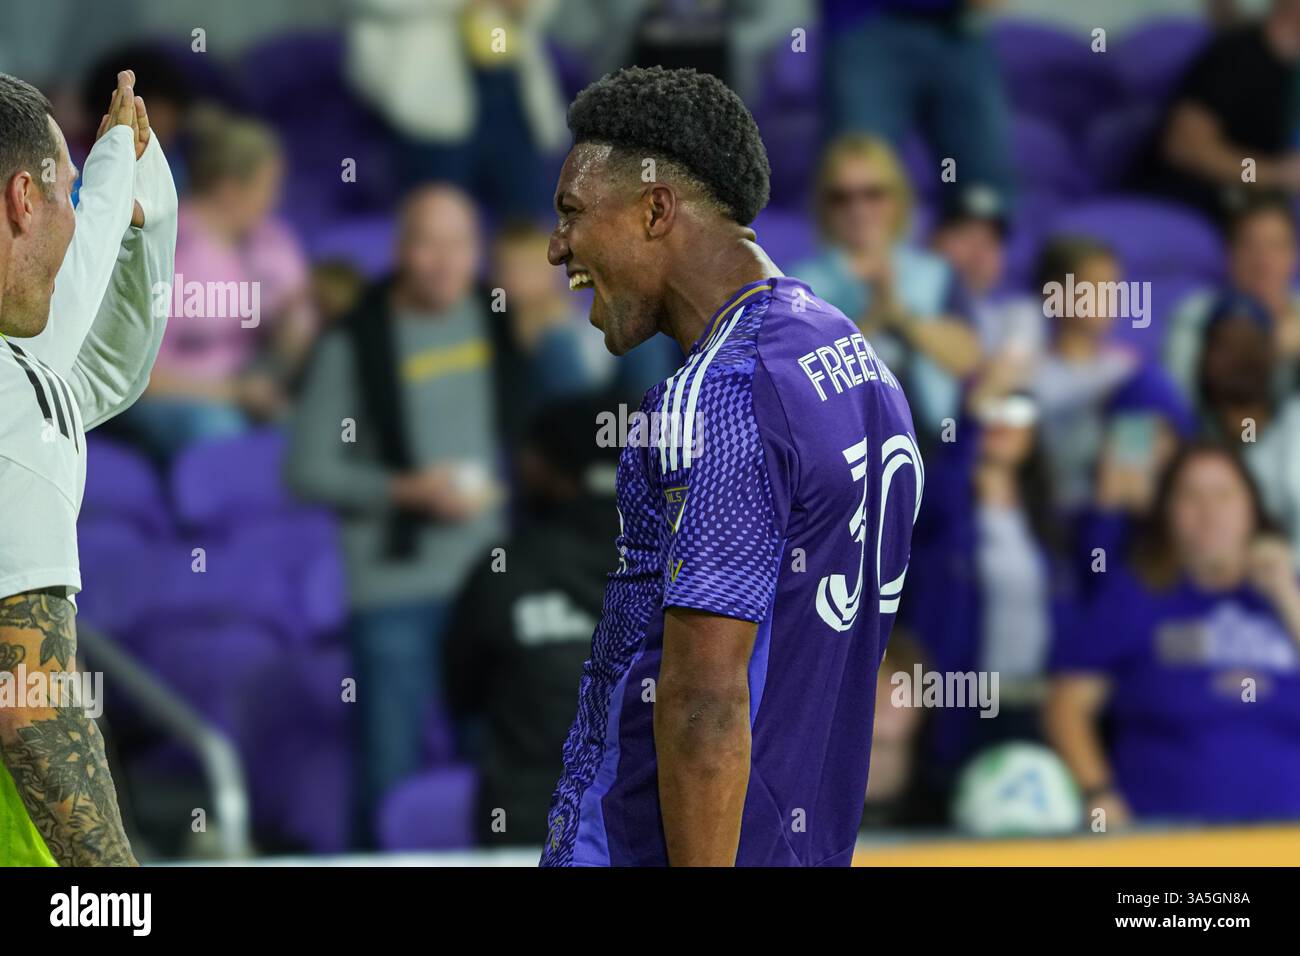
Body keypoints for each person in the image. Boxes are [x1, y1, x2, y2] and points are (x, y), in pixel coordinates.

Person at [540, 66, 921, 867]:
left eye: (573, 213)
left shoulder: (720, 396)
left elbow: (705, 705)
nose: (556, 248)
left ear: (654, 209)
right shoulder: (853, 357)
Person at [286, 184, 505, 848]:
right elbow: (305, 471)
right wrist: (409, 491)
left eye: (458, 244)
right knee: (388, 777)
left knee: (496, 774)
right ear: (399, 250)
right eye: (426, 243)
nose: (442, 262)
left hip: (487, 582)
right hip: (393, 590)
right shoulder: (353, 344)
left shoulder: (494, 320)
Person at [0, 69, 177, 865]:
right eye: (65, 200)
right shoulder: (12, 398)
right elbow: (31, 706)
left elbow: (89, 369)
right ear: (20, 201)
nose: (80, 230)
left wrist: (116, 191)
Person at [1046, 444, 1300, 825]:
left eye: (1224, 495)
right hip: (1168, 841)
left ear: (1253, 509)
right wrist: (1099, 796)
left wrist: (1285, 595)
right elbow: (1065, 703)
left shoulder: (1286, 598)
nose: (1209, 513)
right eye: (1190, 496)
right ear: (1166, 512)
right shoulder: (1136, 595)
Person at [445, 393, 622, 846]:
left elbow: (461, 694)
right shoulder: (683, 564)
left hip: (526, 822)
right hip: (642, 823)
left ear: (550, 468)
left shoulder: (507, 567)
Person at [119, 107, 315, 464]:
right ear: (228, 189)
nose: (273, 201)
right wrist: (234, 392)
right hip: (183, 397)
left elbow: (294, 347)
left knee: (319, 424)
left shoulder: (273, 240)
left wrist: (295, 322)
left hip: (255, 387)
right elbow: (140, 378)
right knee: (219, 430)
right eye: (266, 188)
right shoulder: (172, 247)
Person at [792, 134, 981, 444]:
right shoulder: (801, 283)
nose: (858, 208)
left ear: (898, 199)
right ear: (823, 206)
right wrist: (872, 317)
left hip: (933, 445)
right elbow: (804, 383)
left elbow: (968, 358)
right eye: (841, 197)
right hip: (846, 451)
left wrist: (900, 315)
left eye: (873, 194)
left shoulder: (935, 272)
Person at [1134, 0, 1300, 222]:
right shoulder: (1235, 56)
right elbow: (1183, 148)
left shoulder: (1289, 69)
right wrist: (1275, 175)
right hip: (1188, 205)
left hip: (1255, 204)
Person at [1193, 294, 1300, 563]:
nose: (1239, 359)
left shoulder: (1294, 426)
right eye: (1226, 345)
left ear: (1272, 355)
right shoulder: (1185, 442)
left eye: (1251, 344)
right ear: (1205, 359)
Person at [1163, 192, 1300, 400]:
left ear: (1294, 254)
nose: (1264, 263)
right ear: (1229, 253)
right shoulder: (1196, 314)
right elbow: (1180, 403)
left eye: (1276, 246)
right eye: (1250, 247)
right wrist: (1269, 352)